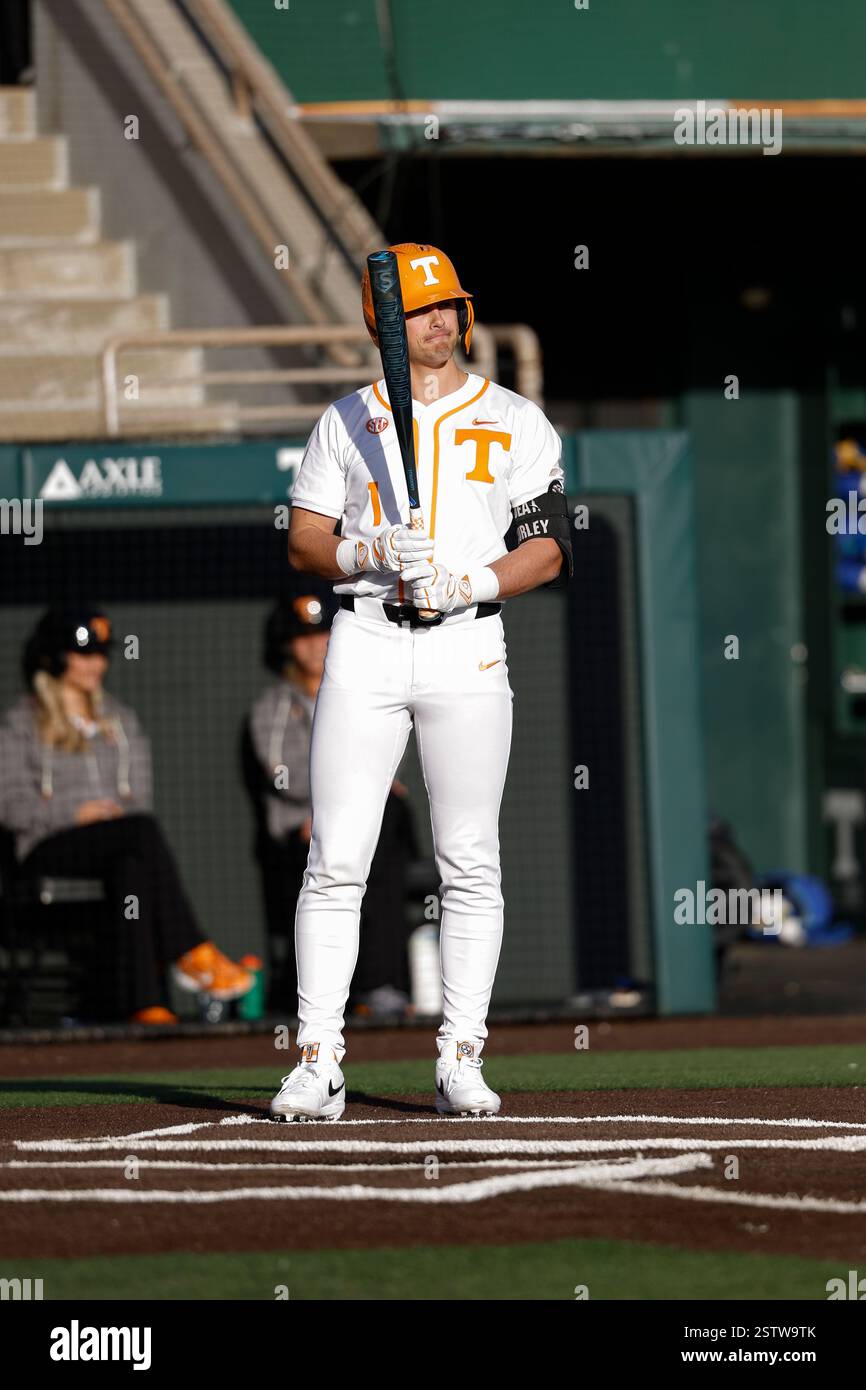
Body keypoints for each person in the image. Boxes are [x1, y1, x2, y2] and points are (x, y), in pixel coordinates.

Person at [269, 242, 572, 1121]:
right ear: (383, 325)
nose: (434, 323)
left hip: (467, 644)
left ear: (464, 316)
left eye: (446, 308)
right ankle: (318, 1057)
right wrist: (361, 551)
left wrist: (472, 580)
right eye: (415, 312)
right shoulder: (346, 420)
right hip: (364, 639)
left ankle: (460, 1056)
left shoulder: (516, 417)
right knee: (335, 858)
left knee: (470, 861)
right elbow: (303, 539)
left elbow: (548, 548)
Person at [0, 607, 253, 1024]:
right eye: (82, 654)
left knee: (132, 862)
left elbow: (138, 802)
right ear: (54, 658)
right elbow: (11, 807)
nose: (94, 664)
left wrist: (110, 822)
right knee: (137, 835)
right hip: (46, 848)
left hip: (117, 844)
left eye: (100, 654)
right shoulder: (20, 722)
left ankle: (144, 1004)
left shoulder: (120, 720)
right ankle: (190, 950)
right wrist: (76, 813)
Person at [247, 592, 418, 1015]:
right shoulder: (273, 706)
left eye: (322, 633)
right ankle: (335, 1000)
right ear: (286, 645)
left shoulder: (359, 691)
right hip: (299, 831)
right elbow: (283, 775)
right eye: (302, 637)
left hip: (367, 817)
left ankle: (382, 987)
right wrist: (355, 787)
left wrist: (366, 785)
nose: (315, 644)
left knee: (389, 825)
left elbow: (393, 752)